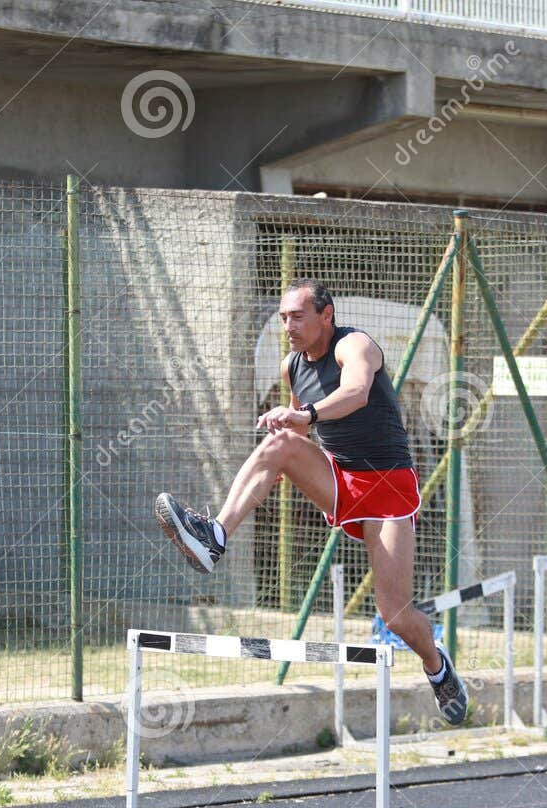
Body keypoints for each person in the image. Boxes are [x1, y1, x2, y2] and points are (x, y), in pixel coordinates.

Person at [155, 279, 469, 725]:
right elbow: (298, 432)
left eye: (298, 316)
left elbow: (356, 393)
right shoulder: (292, 366)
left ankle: (438, 669)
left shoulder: (355, 346)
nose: (289, 326)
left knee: (395, 614)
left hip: (388, 486)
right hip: (340, 476)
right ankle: (214, 537)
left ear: (327, 315)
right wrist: (284, 440)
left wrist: (306, 415)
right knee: (279, 445)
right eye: (283, 318)